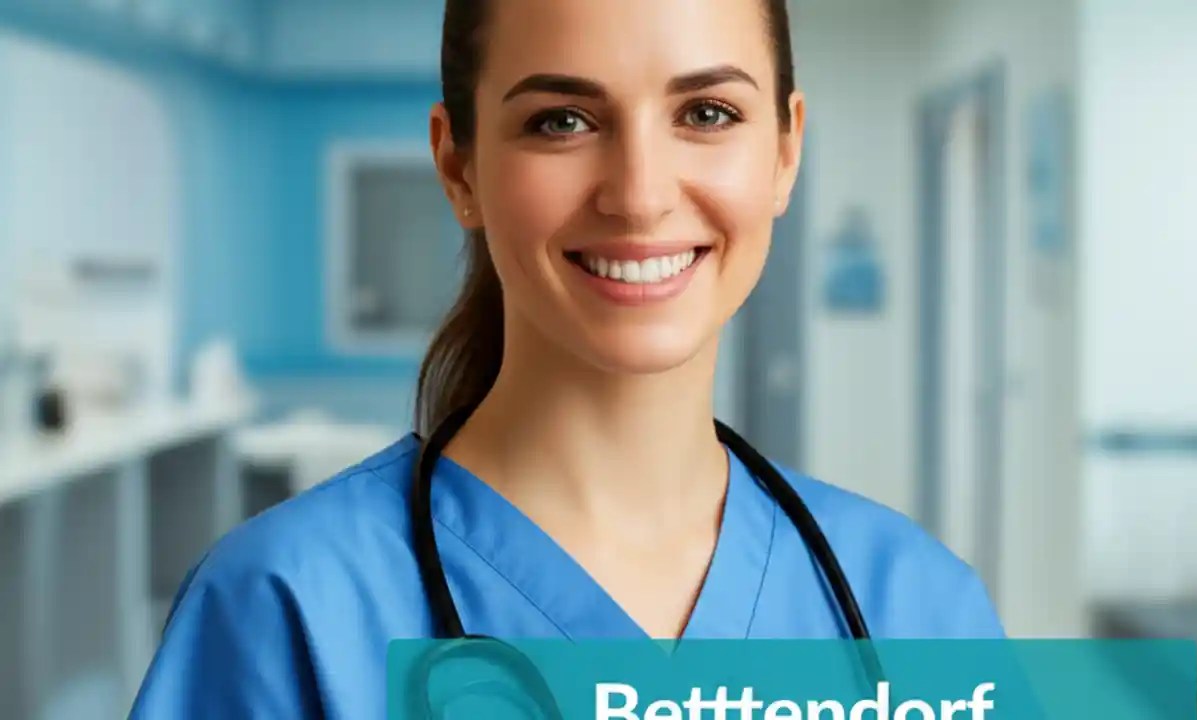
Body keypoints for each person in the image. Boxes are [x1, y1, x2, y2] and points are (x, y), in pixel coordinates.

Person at [129, 0, 1003, 716]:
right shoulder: (289, 613)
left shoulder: (916, 610)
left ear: (784, 150)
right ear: (457, 164)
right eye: (563, 121)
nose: (640, 195)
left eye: (707, 113)